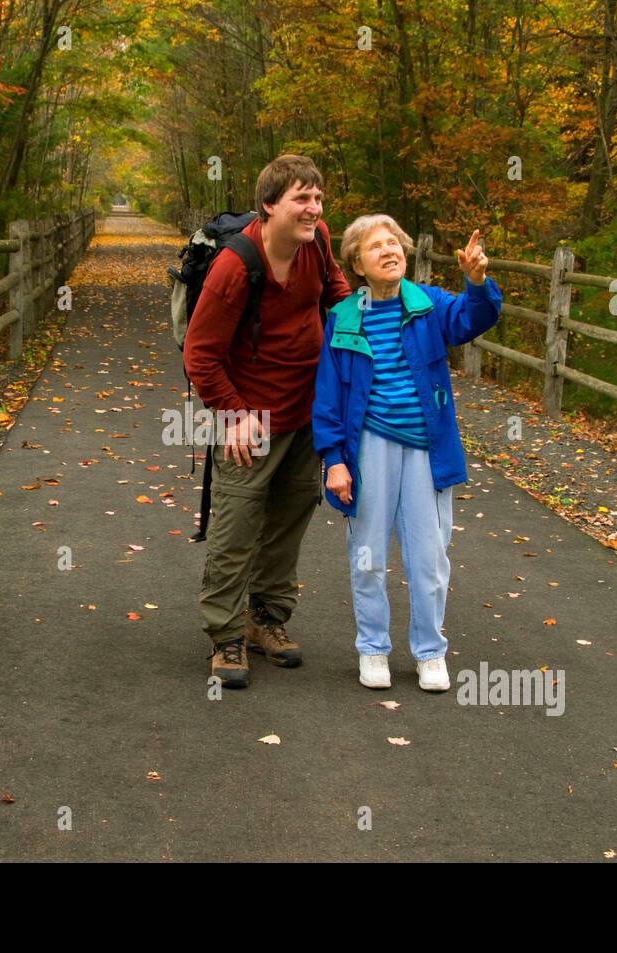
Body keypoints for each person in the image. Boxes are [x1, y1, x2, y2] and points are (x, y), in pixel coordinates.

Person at [183, 155, 352, 689]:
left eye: (318, 199)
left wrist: (369, 339)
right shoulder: (236, 266)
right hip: (249, 415)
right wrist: (232, 415)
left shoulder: (318, 241)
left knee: (288, 517)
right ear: (270, 205)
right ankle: (225, 635)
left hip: (308, 410)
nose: (314, 209)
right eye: (302, 199)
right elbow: (200, 354)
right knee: (236, 526)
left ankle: (266, 620)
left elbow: (337, 298)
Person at [313, 215, 501, 691]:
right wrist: (334, 459)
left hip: (426, 449)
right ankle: (373, 648)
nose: (389, 250)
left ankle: (430, 652)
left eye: (393, 242)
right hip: (368, 447)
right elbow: (329, 396)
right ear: (357, 262)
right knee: (369, 554)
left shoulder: (428, 304)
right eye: (375, 246)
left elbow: (474, 318)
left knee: (429, 557)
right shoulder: (343, 318)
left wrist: (477, 282)